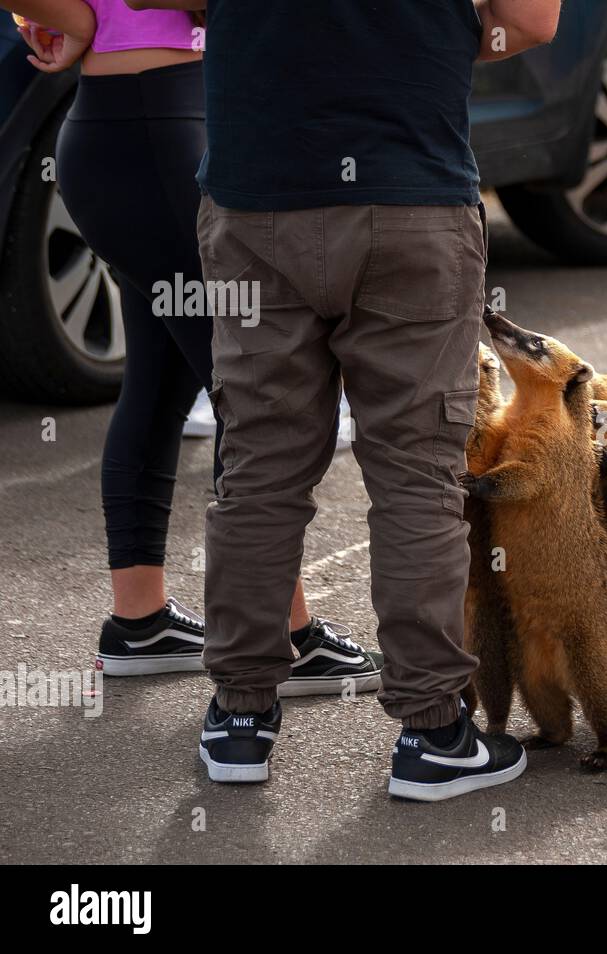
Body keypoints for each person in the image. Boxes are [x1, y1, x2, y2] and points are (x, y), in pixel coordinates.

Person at [128, 0, 563, 798]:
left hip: (257, 192)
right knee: (416, 477)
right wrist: (415, 48)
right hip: (413, 195)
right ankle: (432, 732)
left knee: (258, 469)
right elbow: (531, 22)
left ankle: (239, 718)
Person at [6, 0, 383, 695]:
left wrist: (80, 19)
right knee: (249, 387)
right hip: (156, 128)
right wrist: (76, 19)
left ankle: (140, 619)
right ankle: (283, 634)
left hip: (128, 124)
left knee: (162, 374)